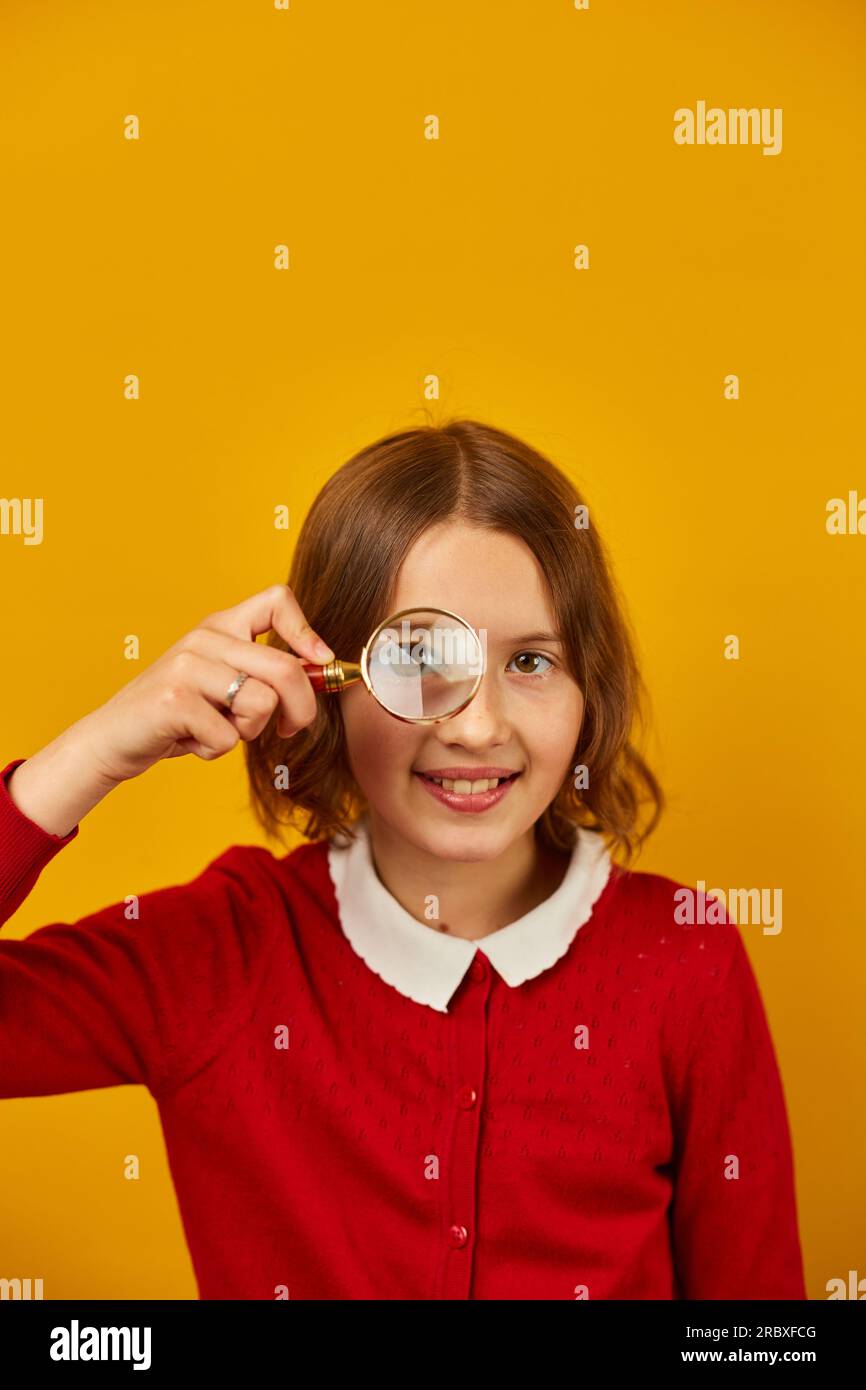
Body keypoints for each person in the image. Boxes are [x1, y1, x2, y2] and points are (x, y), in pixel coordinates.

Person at [0, 418, 807, 1300]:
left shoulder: (686, 960)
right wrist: (87, 757)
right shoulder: (222, 955)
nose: (476, 726)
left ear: (591, 692)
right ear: (325, 679)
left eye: (532, 661)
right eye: (421, 656)